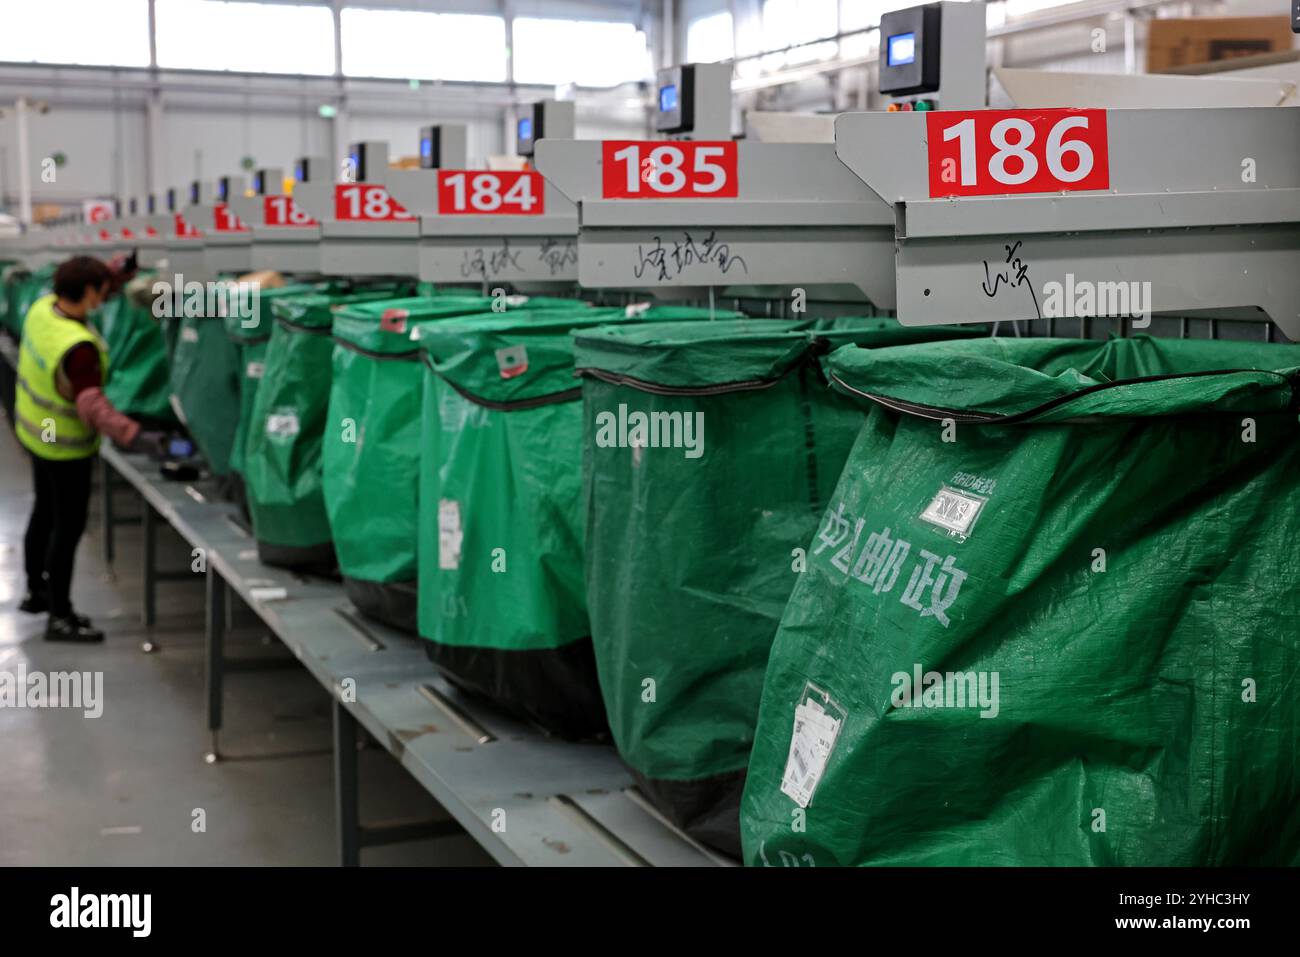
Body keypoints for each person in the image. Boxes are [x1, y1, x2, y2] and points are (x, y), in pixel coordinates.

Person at [14, 255, 166, 642]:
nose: (105, 297)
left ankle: (36, 591)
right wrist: (135, 436)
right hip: (66, 448)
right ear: (87, 293)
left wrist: (116, 276)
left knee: (43, 510)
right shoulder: (79, 348)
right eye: (100, 290)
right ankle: (60, 617)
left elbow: (85, 288)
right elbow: (91, 405)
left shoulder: (42, 309)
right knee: (67, 529)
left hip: (36, 434)